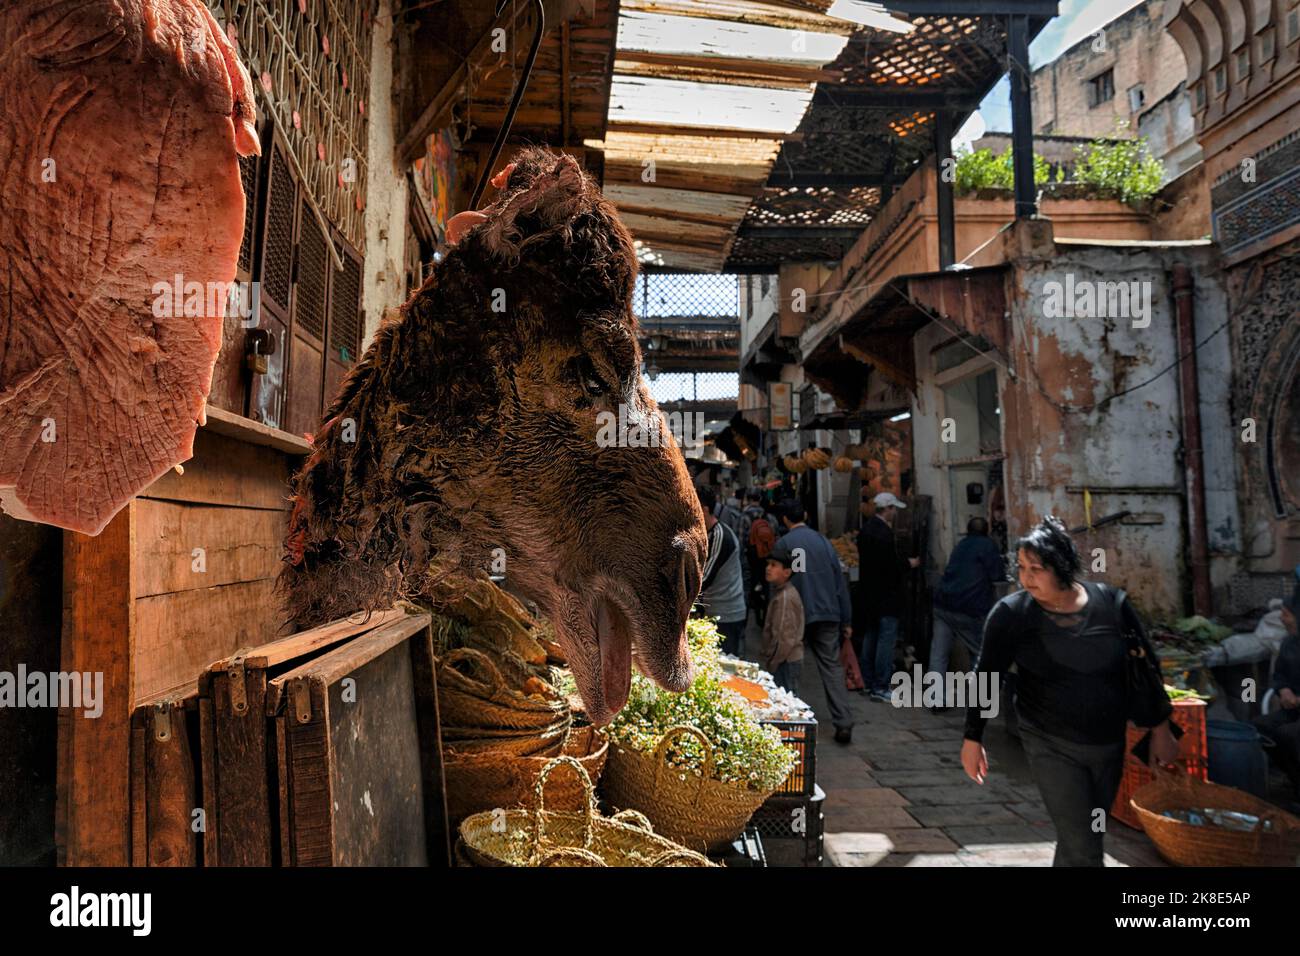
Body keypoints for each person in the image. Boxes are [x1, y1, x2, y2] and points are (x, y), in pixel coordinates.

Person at [960, 516, 1181, 867]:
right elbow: (986, 675)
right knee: (1084, 845)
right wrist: (973, 737)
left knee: (1083, 836)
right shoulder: (1011, 615)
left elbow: (1145, 667)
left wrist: (1161, 728)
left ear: (1061, 568)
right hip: (1049, 742)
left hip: (1107, 743)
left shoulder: (1112, 605)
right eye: (1021, 568)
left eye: (1036, 568)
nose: (1026, 578)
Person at [772, 499, 855, 743]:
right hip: (828, 612)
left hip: (796, 615)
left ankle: (791, 720)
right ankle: (844, 721)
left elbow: (784, 581)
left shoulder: (785, 543)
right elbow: (840, 582)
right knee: (831, 667)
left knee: (790, 664)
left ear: (785, 520)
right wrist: (846, 618)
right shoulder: (823, 542)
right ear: (806, 515)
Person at [929, 517, 1006, 709]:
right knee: (979, 652)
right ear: (986, 531)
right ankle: (979, 699)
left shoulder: (960, 545)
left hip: (943, 605)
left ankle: (936, 699)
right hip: (970, 608)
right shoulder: (988, 546)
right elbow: (998, 576)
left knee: (939, 653)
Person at [857, 492, 920, 702]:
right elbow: (889, 567)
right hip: (886, 595)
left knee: (870, 637)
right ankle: (880, 685)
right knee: (885, 640)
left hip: (869, 594)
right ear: (888, 509)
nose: (895, 513)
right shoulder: (883, 533)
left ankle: (866, 681)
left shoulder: (866, 530)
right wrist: (908, 564)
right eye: (893, 509)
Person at [1253, 581, 1300, 798]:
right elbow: (1279, 675)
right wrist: (1283, 691)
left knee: (1289, 734)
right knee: (1258, 727)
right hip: (1293, 711)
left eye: (1287, 614)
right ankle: (1294, 780)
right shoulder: (1289, 643)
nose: (1282, 618)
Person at [694, 485, 748, 655]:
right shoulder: (708, 534)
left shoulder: (720, 535)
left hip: (727, 615)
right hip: (716, 612)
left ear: (704, 509)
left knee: (725, 664)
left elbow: (704, 578)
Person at [761, 550, 804, 694]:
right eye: (768, 564)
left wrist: (772, 662)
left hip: (785, 660)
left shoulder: (785, 597)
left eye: (773, 565)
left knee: (787, 702)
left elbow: (783, 638)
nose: (768, 568)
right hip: (783, 659)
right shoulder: (781, 592)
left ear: (786, 572)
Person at [742, 489, 778, 623]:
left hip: (751, 562)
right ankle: (769, 616)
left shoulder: (744, 517)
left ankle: (747, 617)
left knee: (749, 588)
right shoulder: (770, 518)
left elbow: (740, 542)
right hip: (767, 560)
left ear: (748, 499)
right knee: (768, 587)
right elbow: (776, 539)